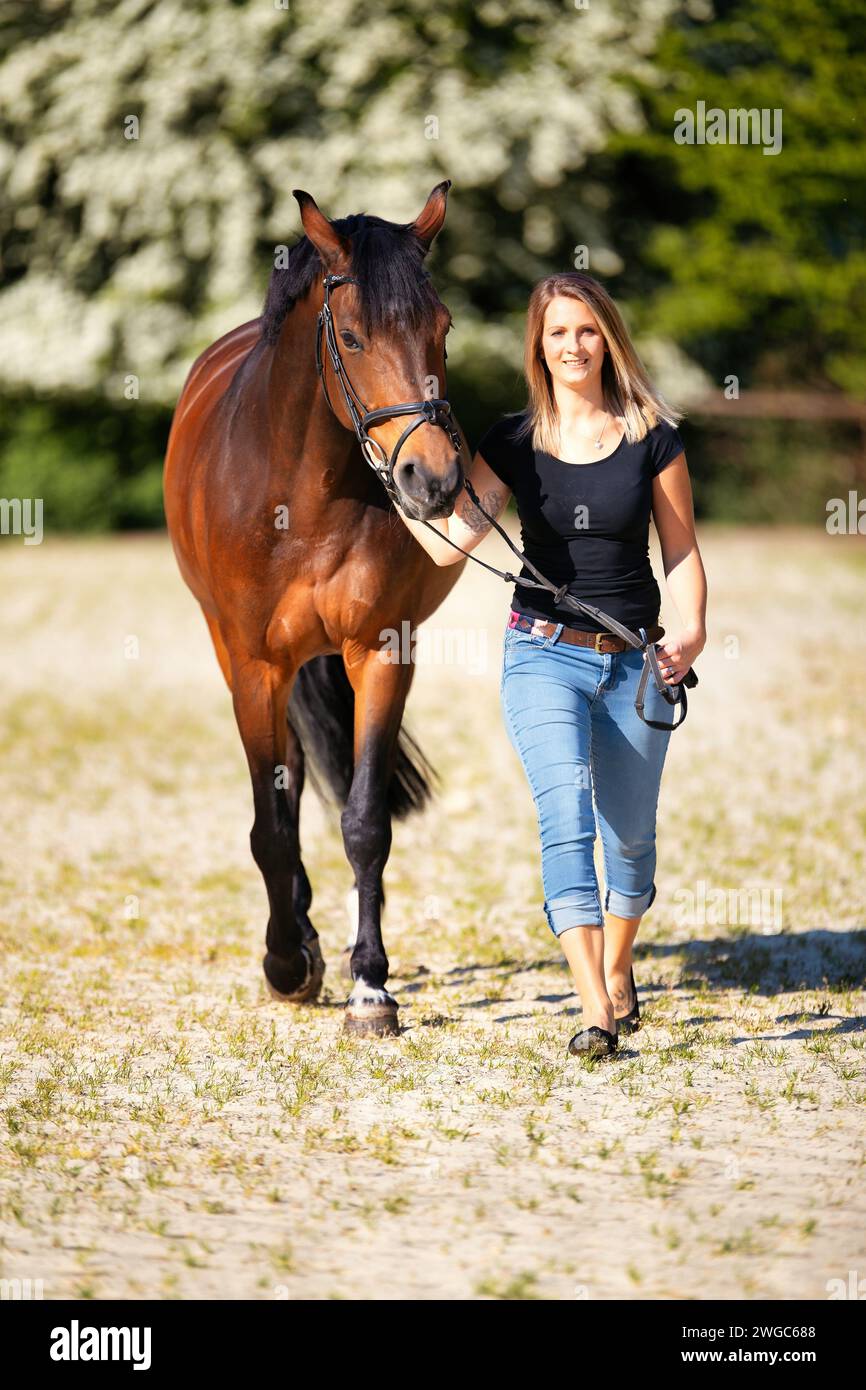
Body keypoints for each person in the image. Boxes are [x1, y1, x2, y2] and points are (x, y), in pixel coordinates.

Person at [394, 271, 707, 1060]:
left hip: (636, 662)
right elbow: (442, 542)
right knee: (563, 820)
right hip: (541, 655)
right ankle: (596, 1007)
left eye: (586, 331)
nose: (572, 345)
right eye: (557, 332)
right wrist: (401, 480)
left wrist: (694, 628)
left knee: (629, 839)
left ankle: (619, 964)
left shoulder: (653, 437)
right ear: (538, 345)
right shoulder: (511, 442)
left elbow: (683, 553)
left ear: (609, 339)